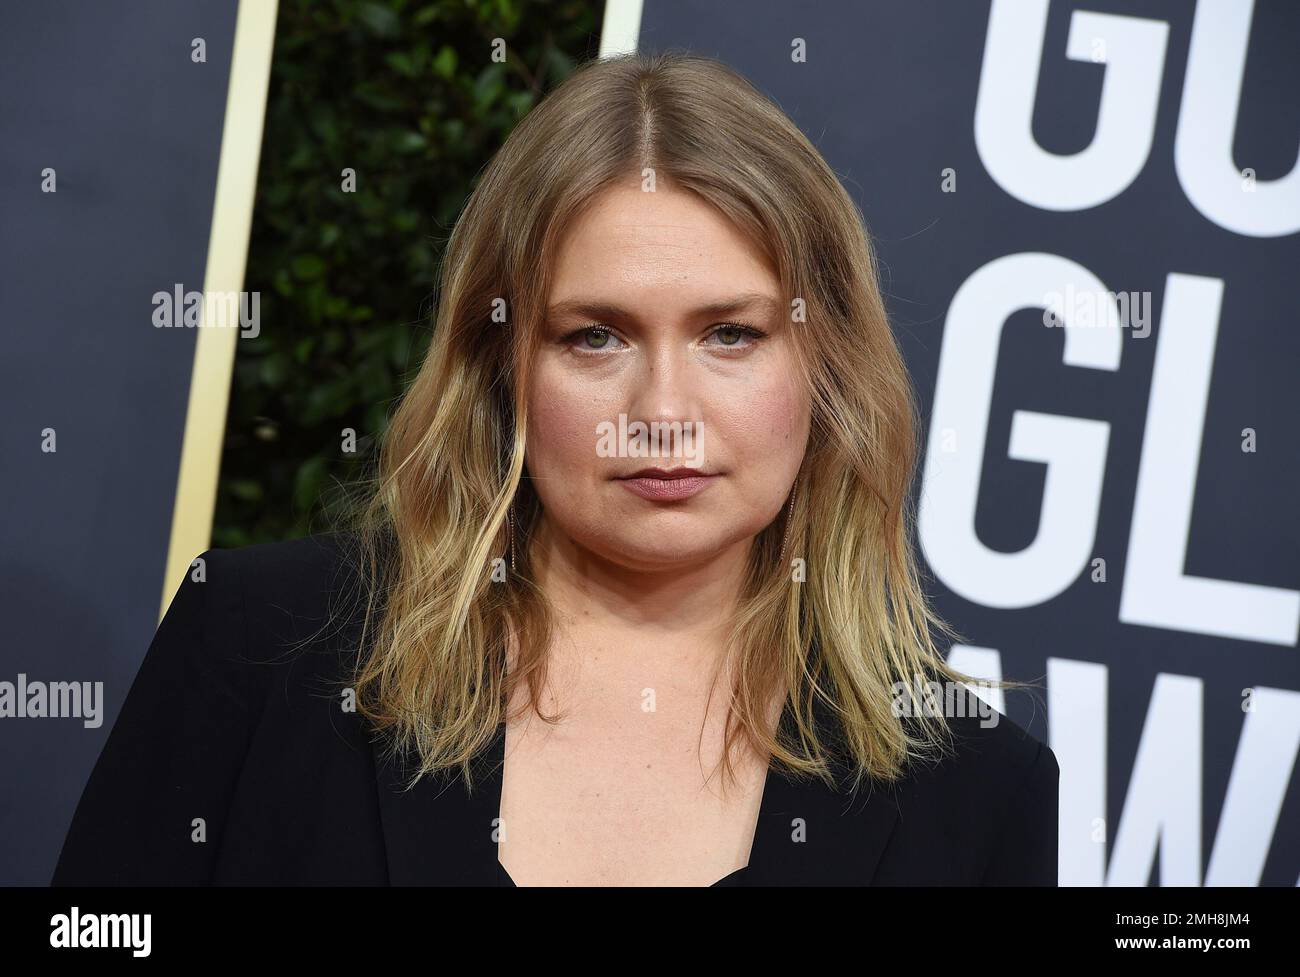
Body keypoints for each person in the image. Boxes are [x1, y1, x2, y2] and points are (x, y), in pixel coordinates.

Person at [52, 50, 1058, 887]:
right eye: (593, 338)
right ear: (499, 361)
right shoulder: (261, 644)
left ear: (826, 358)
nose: (662, 414)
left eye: (730, 334)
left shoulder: (976, 792)